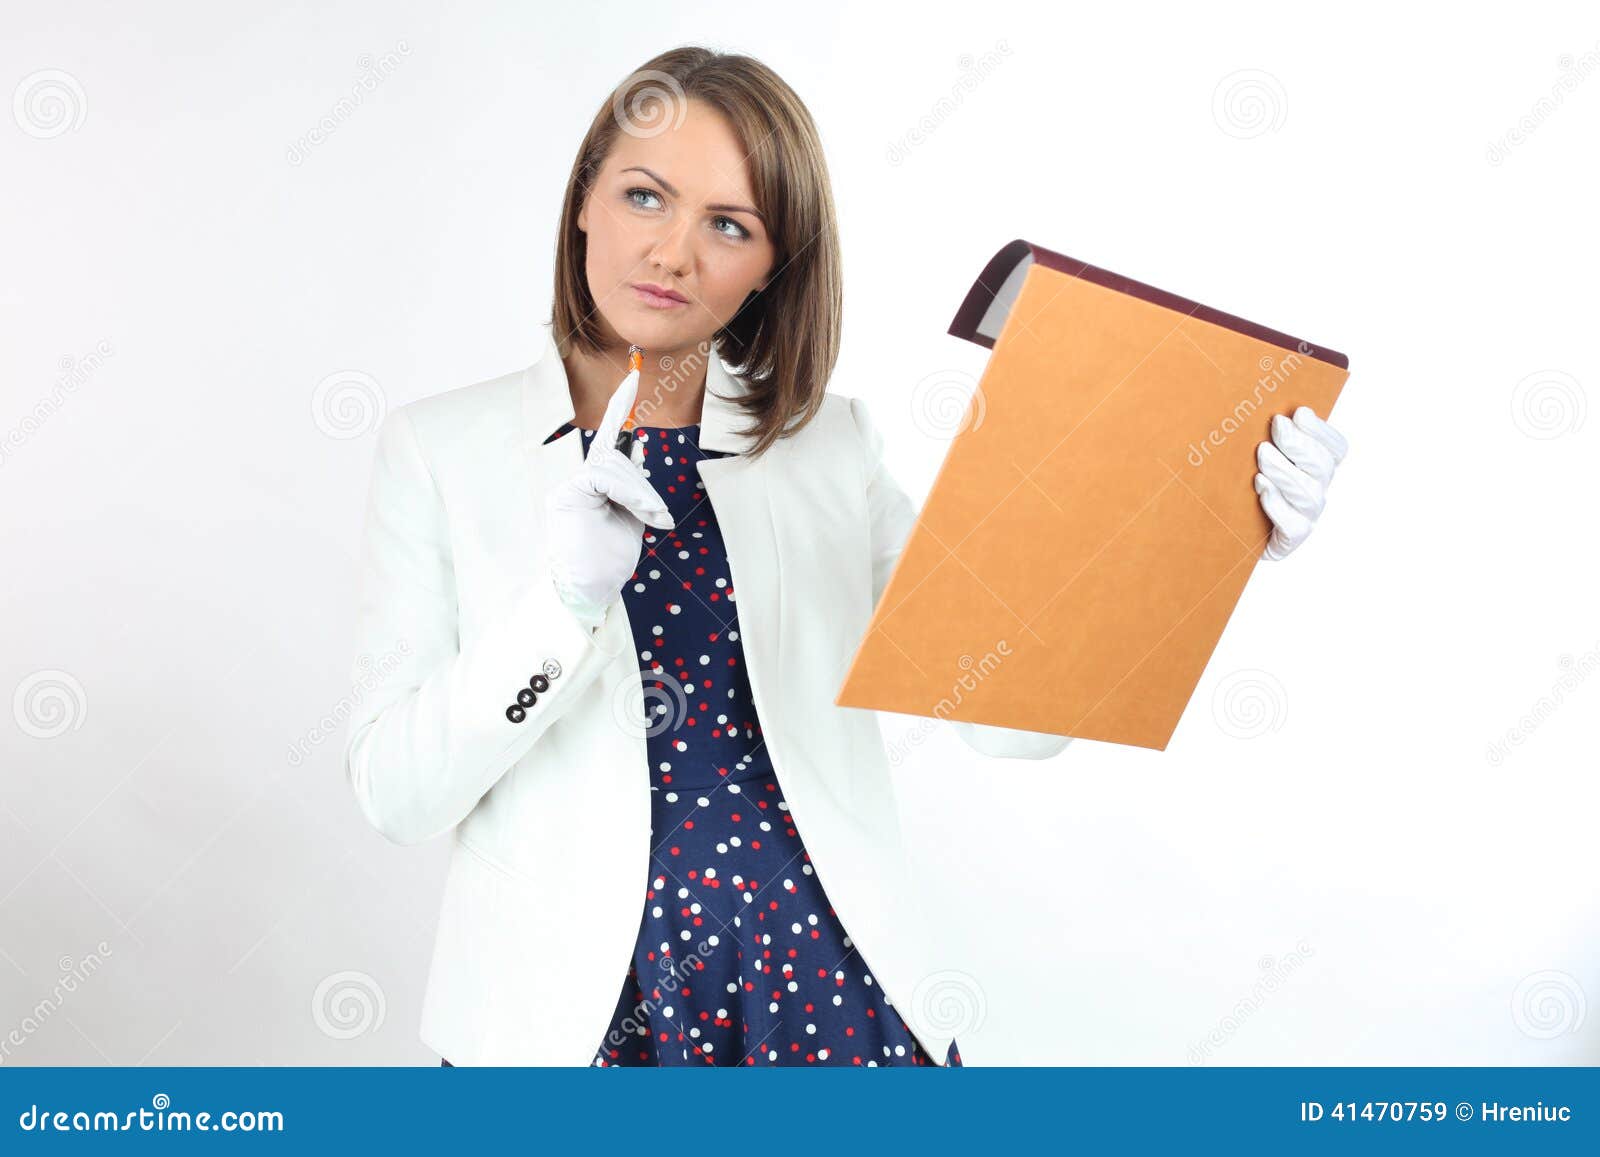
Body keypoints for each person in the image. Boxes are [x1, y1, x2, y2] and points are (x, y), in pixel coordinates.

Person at [345, 46, 1348, 1068]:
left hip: (830, 996)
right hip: (565, 1027)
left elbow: (1005, 724)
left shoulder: (829, 445)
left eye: (728, 224)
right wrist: (561, 604)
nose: (673, 253)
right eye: (645, 196)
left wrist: (1197, 535)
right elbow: (398, 793)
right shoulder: (439, 451)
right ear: (584, 206)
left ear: (773, 264)